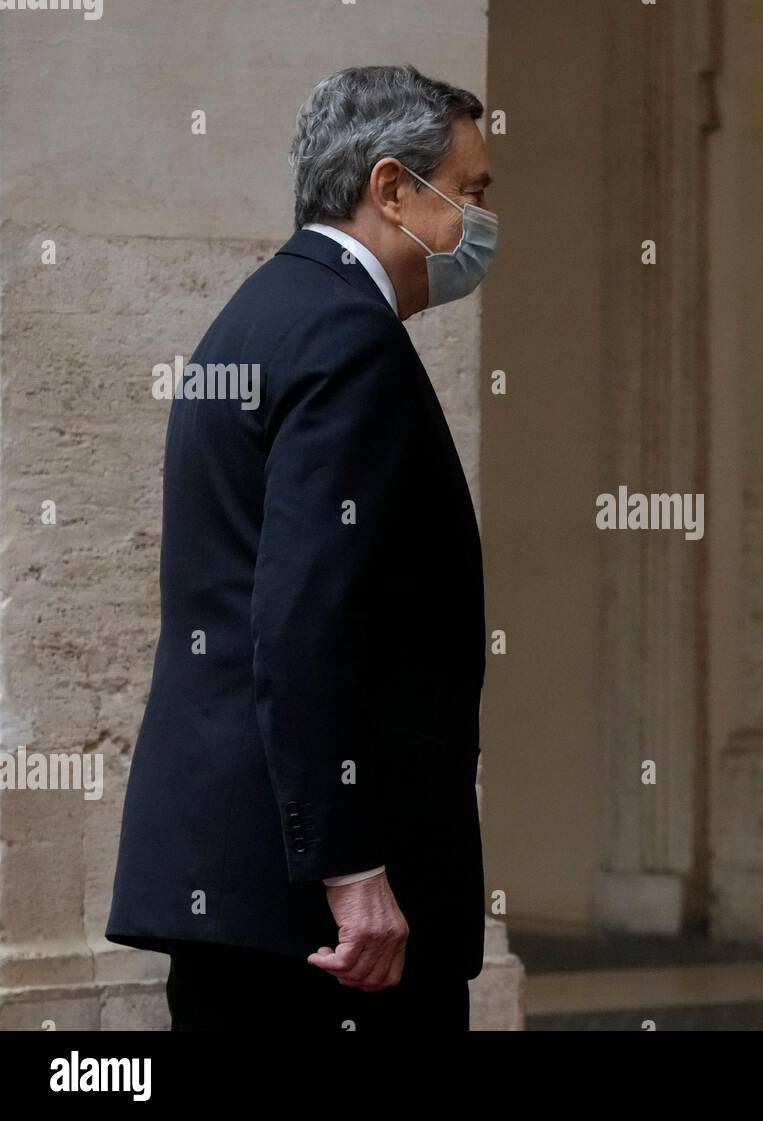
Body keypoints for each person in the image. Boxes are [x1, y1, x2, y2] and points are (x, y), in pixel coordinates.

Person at [106, 64, 496, 1031]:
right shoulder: (345, 335)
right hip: (319, 918)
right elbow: (306, 617)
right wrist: (353, 866)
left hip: (243, 882)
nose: (481, 223)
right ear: (393, 187)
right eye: (473, 192)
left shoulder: (261, 314)